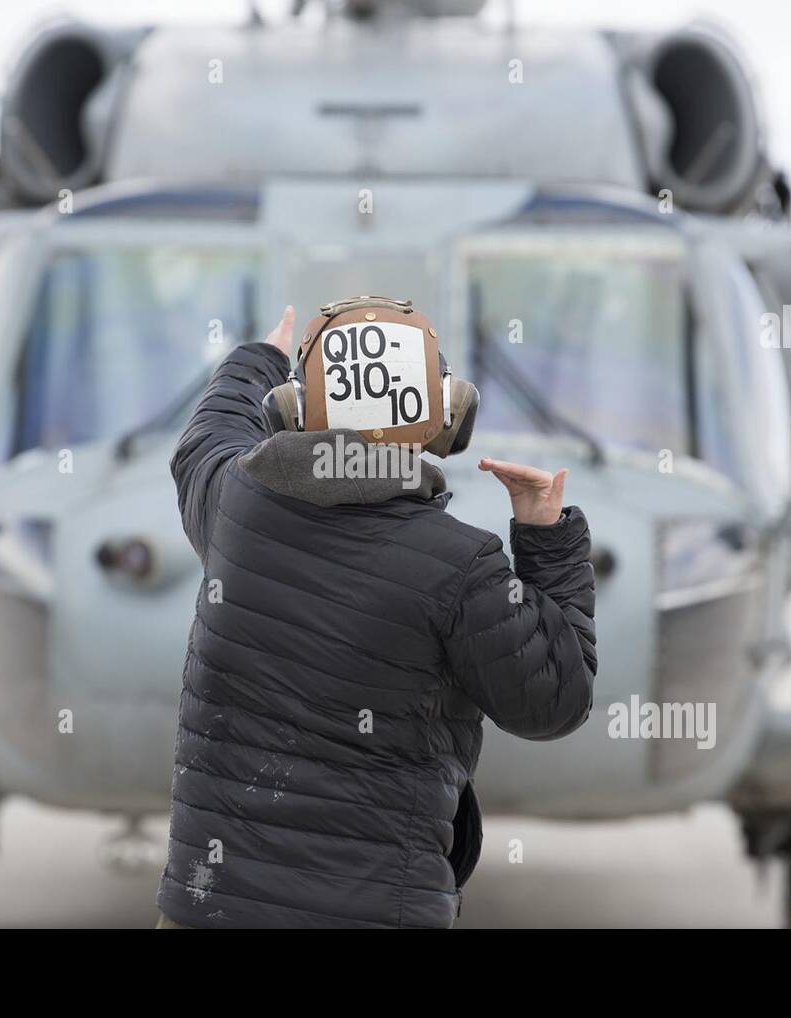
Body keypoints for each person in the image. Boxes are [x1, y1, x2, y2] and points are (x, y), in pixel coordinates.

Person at [155, 301, 597, 929]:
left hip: (206, 908)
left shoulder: (236, 507)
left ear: (293, 413)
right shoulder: (464, 565)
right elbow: (554, 702)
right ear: (447, 418)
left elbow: (204, 440)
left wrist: (257, 362)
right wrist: (545, 536)